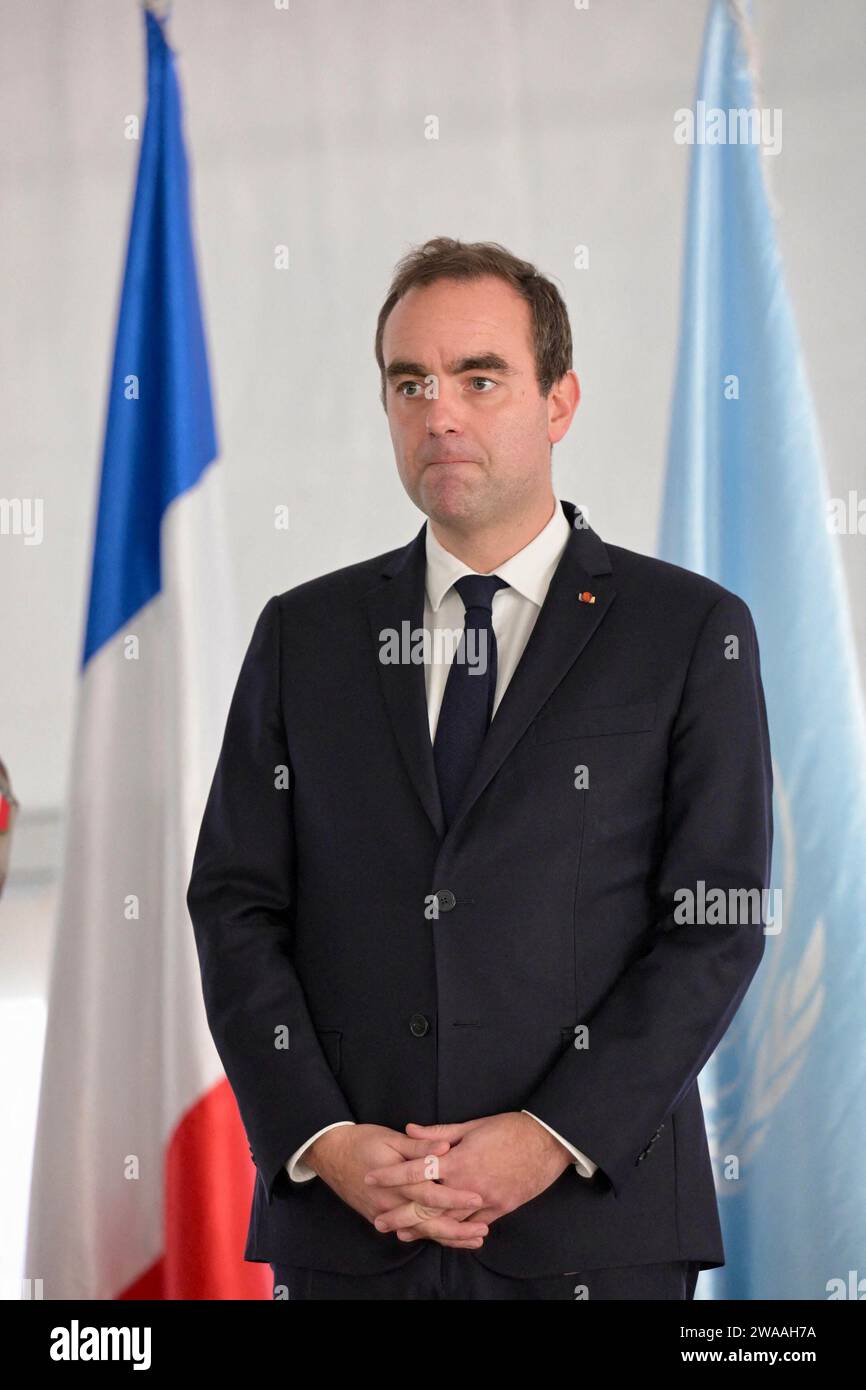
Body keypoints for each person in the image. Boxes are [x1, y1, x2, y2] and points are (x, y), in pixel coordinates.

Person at [186, 236, 773, 1301]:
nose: (437, 412)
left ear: (559, 401)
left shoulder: (687, 632)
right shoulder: (302, 637)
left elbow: (714, 918)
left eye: (478, 377)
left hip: (598, 1227)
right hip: (351, 1231)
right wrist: (319, 1136)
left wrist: (551, 1136)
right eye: (408, 381)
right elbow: (235, 905)